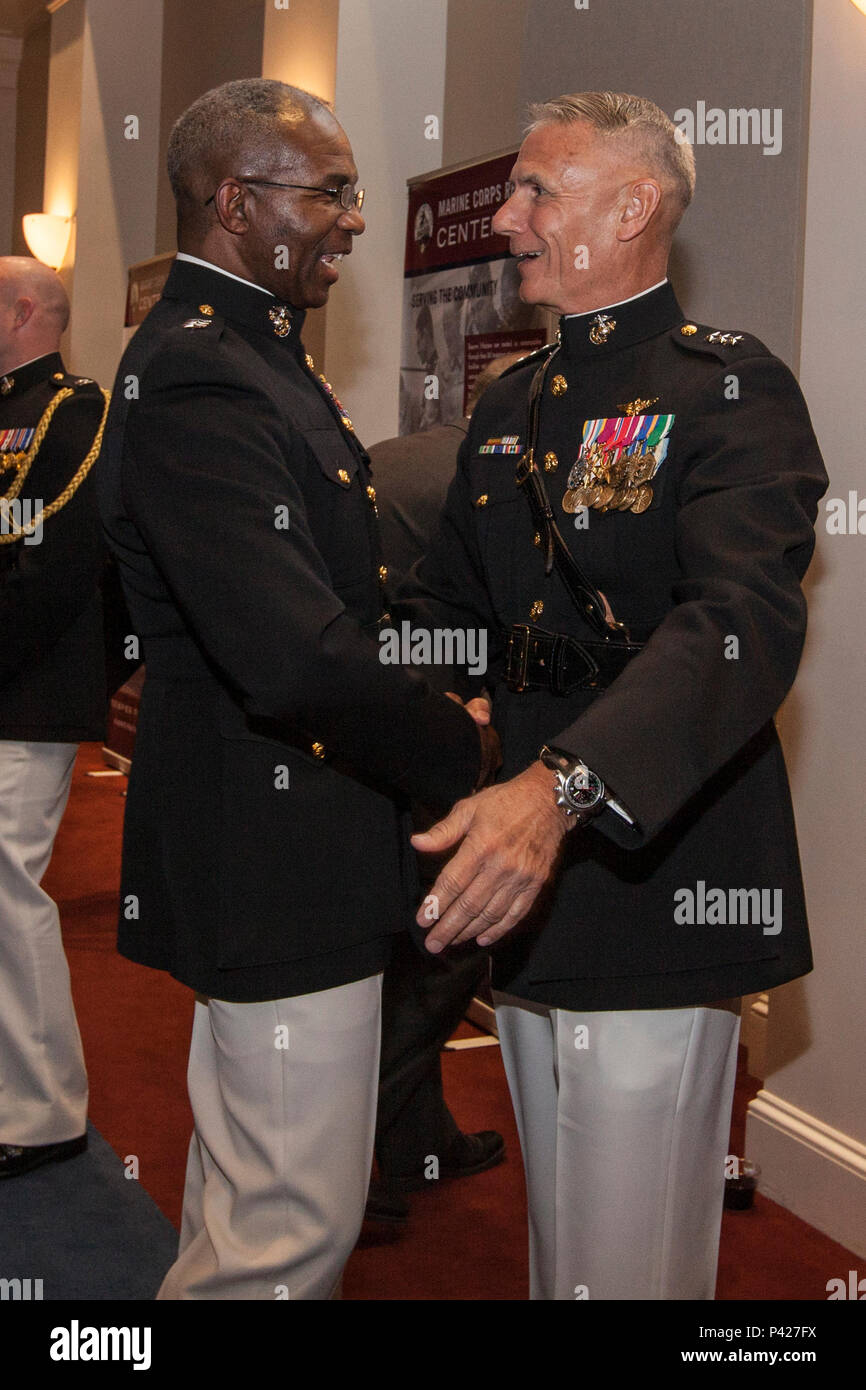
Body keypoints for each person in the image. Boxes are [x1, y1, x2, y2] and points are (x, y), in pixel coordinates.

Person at [398, 91, 827, 1300]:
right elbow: (448, 619)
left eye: (539, 188)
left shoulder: (726, 389)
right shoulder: (507, 404)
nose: (506, 212)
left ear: (633, 206)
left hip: (654, 860)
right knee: (561, 1237)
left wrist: (566, 783)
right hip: (521, 860)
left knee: (627, 1250)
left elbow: (737, 624)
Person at [97, 79, 495, 1300]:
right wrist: (467, 755)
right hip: (274, 858)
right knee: (287, 1235)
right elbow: (295, 653)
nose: (355, 220)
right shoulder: (209, 375)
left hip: (282, 844)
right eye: (328, 192)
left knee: (242, 1209)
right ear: (235, 204)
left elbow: (344, 608)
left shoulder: (250, 358)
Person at [365, 354, 523, 1226]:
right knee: (449, 942)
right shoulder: (494, 473)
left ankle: (420, 1140)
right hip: (425, 732)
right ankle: (364, 1166)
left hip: (361, 730)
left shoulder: (400, 452)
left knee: (409, 939)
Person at [0, 257, 109, 1180]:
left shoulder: (76, 412)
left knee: (7, 892)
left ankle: (42, 1111)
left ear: (25, 311)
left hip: (26, 688)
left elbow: (55, 572)